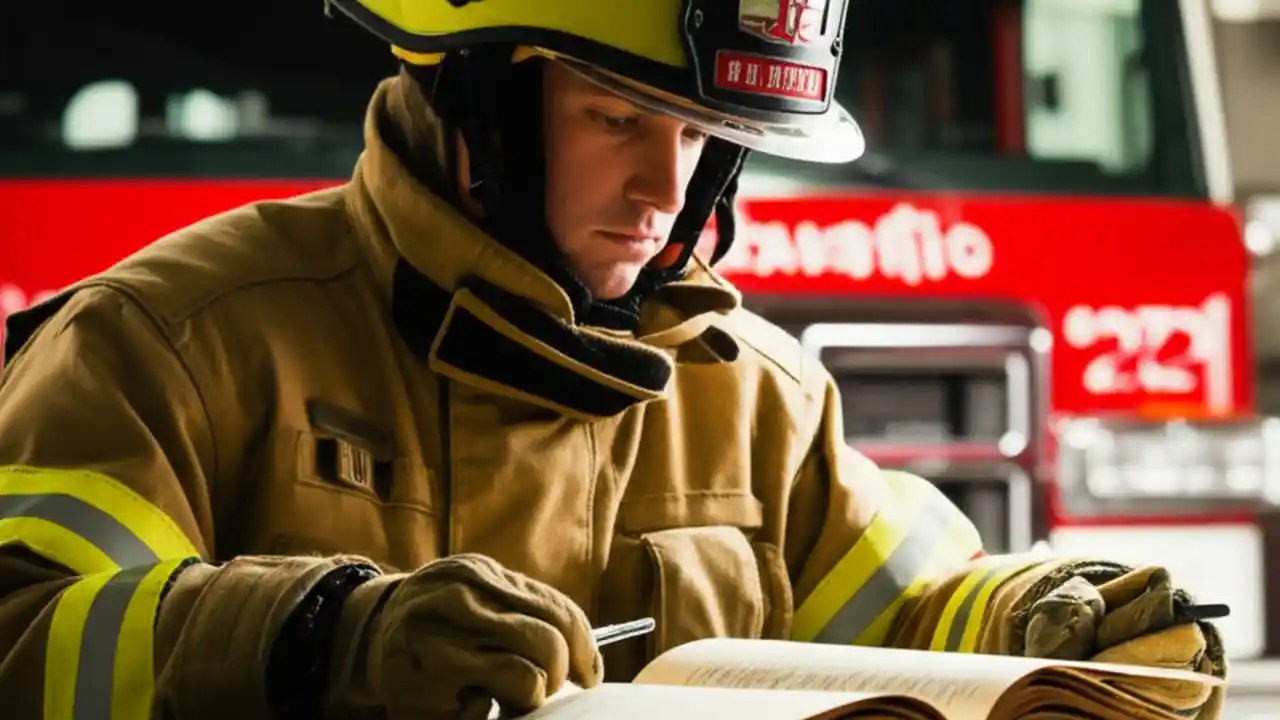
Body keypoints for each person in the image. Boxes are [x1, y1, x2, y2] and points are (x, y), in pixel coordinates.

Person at [0, 2, 1226, 719]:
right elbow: (25, 635)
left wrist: (1034, 616)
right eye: (614, 117)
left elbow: (894, 619)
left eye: (700, 135)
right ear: (475, 102)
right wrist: (324, 637)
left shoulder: (755, 391)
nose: (663, 187)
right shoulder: (176, 334)